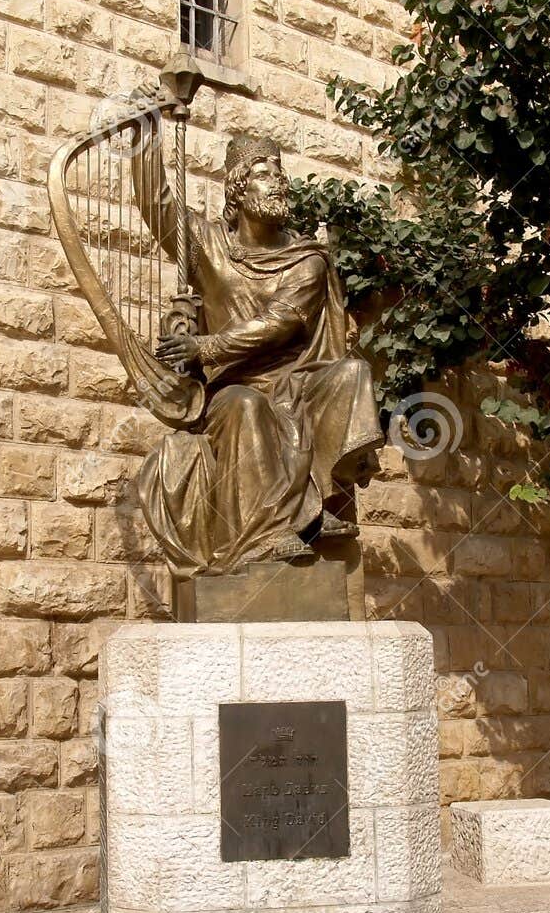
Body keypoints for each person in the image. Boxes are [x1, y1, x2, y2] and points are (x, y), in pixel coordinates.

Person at [130, 116, 383, 577]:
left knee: (353, 374)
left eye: (279, 171)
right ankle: (269, 535)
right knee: (245, 405)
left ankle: (316, 505)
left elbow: (280, 322)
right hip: (234, 389)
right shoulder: (207, 244)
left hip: (298, 384)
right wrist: (145, 139)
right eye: (265, 173)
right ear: (238, 188)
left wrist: (204, 347)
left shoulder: (305, 260)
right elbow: (157, 204)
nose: (278, 182)